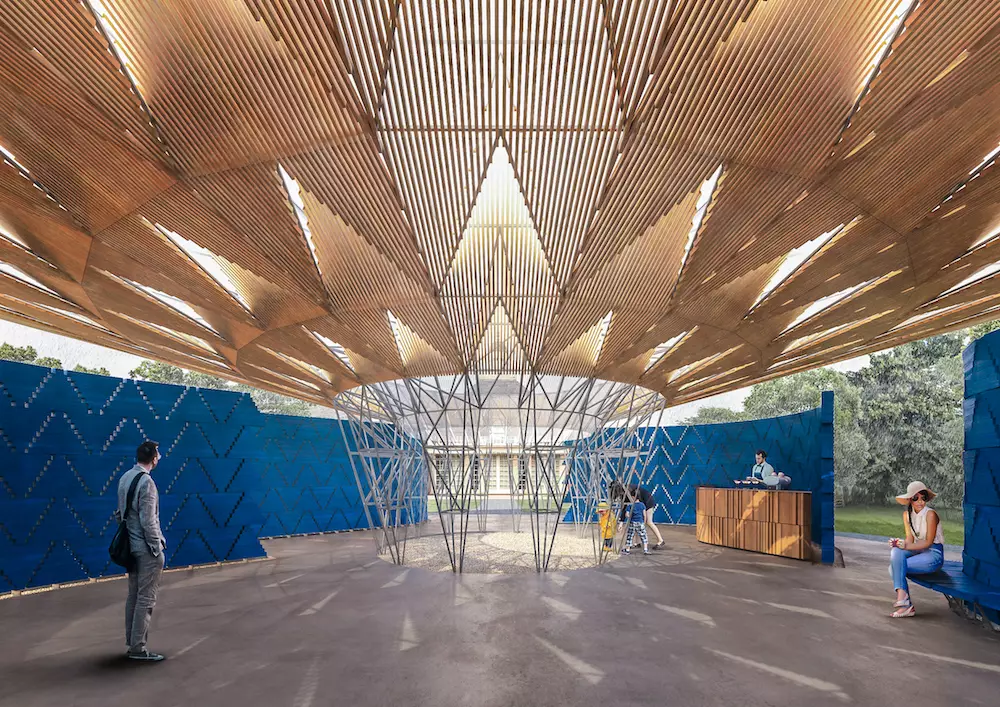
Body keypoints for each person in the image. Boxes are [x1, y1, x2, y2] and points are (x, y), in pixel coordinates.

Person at [117, 440, 167, 661]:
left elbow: (119, 514)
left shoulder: (125, 477)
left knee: (134, 596)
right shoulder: (147, 483)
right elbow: (149, 521)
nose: (160, 456)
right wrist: (157, 547)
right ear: (153, 458)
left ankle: (132, 642)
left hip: (130, 547)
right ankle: (138, 648)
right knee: (146, 598)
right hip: (145, 549)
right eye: (158, 453)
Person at [888, 481, 944, 618]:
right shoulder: (907, 515)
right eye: (915, 498)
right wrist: (899, 544)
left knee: (894, 568)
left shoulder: (931, 515)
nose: (920, 501)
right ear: (909, 500)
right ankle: (905, 602)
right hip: (918, 550)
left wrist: (905, 546)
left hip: (933, 554)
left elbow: (928, 543)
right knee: (895, 552)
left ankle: (904, 602)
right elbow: (909, 540)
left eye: (923, 497)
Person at [611, 481, 665, 549]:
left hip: (647, 502)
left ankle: (660, 540)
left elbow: (637, 503)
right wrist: (621, 523)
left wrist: (642, 512)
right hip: (641, 503)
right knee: (636, 522)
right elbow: (624, 507)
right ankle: (637, 542)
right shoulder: (624, 492)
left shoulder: (629, 490)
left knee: (649, 522)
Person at [620, 491, 651, 555]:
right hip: (640, 522)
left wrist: (629, 516)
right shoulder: (642, 505)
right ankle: (645, 549)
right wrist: (644, 523)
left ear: (633, 497)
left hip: (632, 523)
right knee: (644, 536)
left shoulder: (630, 505)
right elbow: (644, 515)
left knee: (630, 536)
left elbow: (627, 515)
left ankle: (627, 550)